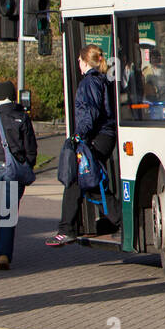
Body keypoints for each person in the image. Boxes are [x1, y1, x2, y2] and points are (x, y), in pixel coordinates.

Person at [50, 44, 119, 246]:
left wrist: (79, 136)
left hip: (96, 137)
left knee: (78, 179)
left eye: (79, 61)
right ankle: (114, 219)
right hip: (104, 136)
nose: (78, 64)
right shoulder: (102, 80)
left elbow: (90, 112)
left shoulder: (89, 82)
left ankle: (67, 229)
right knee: (88, 180)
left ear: (84, 61)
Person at [0, 80, 38, 270]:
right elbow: (30, 146)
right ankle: (4, 253)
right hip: (13, 169)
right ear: (12, 96)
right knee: (8, 213)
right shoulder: (22, 117)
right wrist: (27, 163)